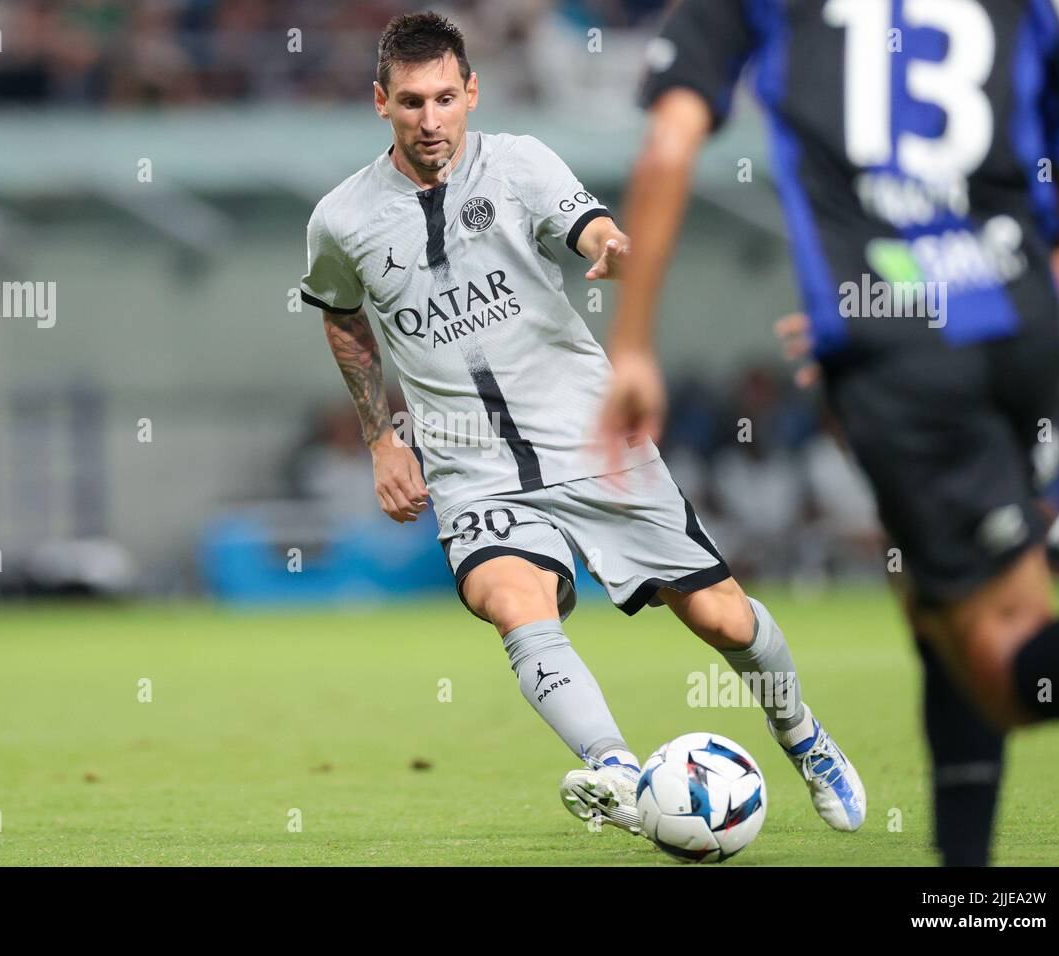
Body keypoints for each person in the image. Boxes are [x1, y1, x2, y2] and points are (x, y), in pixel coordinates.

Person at [299, 11, 865, 838]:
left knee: (724, 620)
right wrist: (381, 434)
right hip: (470, 464)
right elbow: (342, 316)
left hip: (591, 436)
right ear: (379, 101)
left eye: (446, 99)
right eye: (412, 101)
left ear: (472, 93)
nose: (431, 120)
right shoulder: (341, 219)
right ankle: (619, 772)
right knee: (512, 600)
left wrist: (611, 243)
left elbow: (586, 223)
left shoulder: (520, 163)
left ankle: (804, 738)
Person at [601, 0, 1059, 864]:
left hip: (902, 355)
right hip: (1018, 327)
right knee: (940, 611)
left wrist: (634, 343)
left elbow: (669, 145)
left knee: (1005, 670)